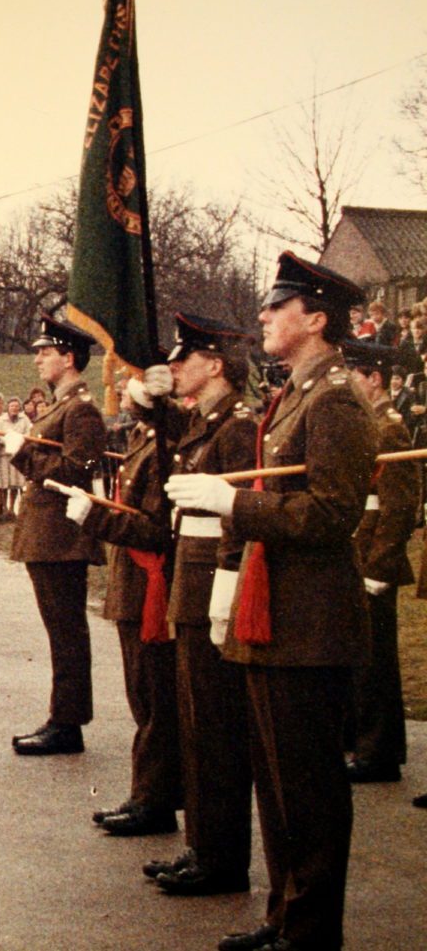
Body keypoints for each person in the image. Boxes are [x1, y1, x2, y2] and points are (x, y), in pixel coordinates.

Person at [166, 252, 375, 951]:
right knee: (279, 782)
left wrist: (238, 504)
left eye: (275, 306)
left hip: (309, 617)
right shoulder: (298, 391)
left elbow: (333, 512)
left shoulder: (336, 395)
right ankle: (288, 914)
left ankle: (312, 930)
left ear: (314, 318)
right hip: (276, 611)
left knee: (308, 788)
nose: (261, 316)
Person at [136, 313, 259, 898]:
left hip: (213, 585)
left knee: (216, 729)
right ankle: (203, 846)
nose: (175, 368)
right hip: (191, 581)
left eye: (185, 359)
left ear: (215, 365)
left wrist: (226, 590)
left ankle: (221, 857)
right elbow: (157, 426)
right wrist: (145, 395)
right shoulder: (205, 421)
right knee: (196, 725)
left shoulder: (235, 427)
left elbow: (237, 515)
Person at [63, 377, 181, 838]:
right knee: (143, 695)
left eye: (130, 385)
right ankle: (149, 793)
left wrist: (96, 517)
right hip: (133, 580)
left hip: (149, 580)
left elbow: (153, 528)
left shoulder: (161, 444)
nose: (121, 391)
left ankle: (154, 799)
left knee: (153, 698)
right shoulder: (142, 436)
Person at [3, 315, 106, 755]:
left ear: (69, 358)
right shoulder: (60, 405)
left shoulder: (80, 408)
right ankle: (64, 718)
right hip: (48, 538)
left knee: (66, 633)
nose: (38, 360)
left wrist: (23, 453)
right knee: (60, 631)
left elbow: (74, 472)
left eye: (46, 352)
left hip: (62, 538)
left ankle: (67, 723)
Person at [340, 339, 417, 785]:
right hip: (356, 556)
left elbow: (398, 508)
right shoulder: (366, 425)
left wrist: (379, 569)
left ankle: (379, 751)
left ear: (374, 379)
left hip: (373, 562)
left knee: (375, 664)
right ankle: (360, 741)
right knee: (359, 659)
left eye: (355, 375)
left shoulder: (390, 429)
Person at [0, 397, 30, 520]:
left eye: (16, 406)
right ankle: (4, 508)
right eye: (12, 406)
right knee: (3, 484)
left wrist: (19, 441)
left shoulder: (24, 419)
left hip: (17, 455)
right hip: (3, 455)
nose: (14, 408)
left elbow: (28, 433)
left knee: (15, 484)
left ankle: (12, 510)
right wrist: (7, 441)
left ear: (19, 408)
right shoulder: (1, 420)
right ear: (8, 408)